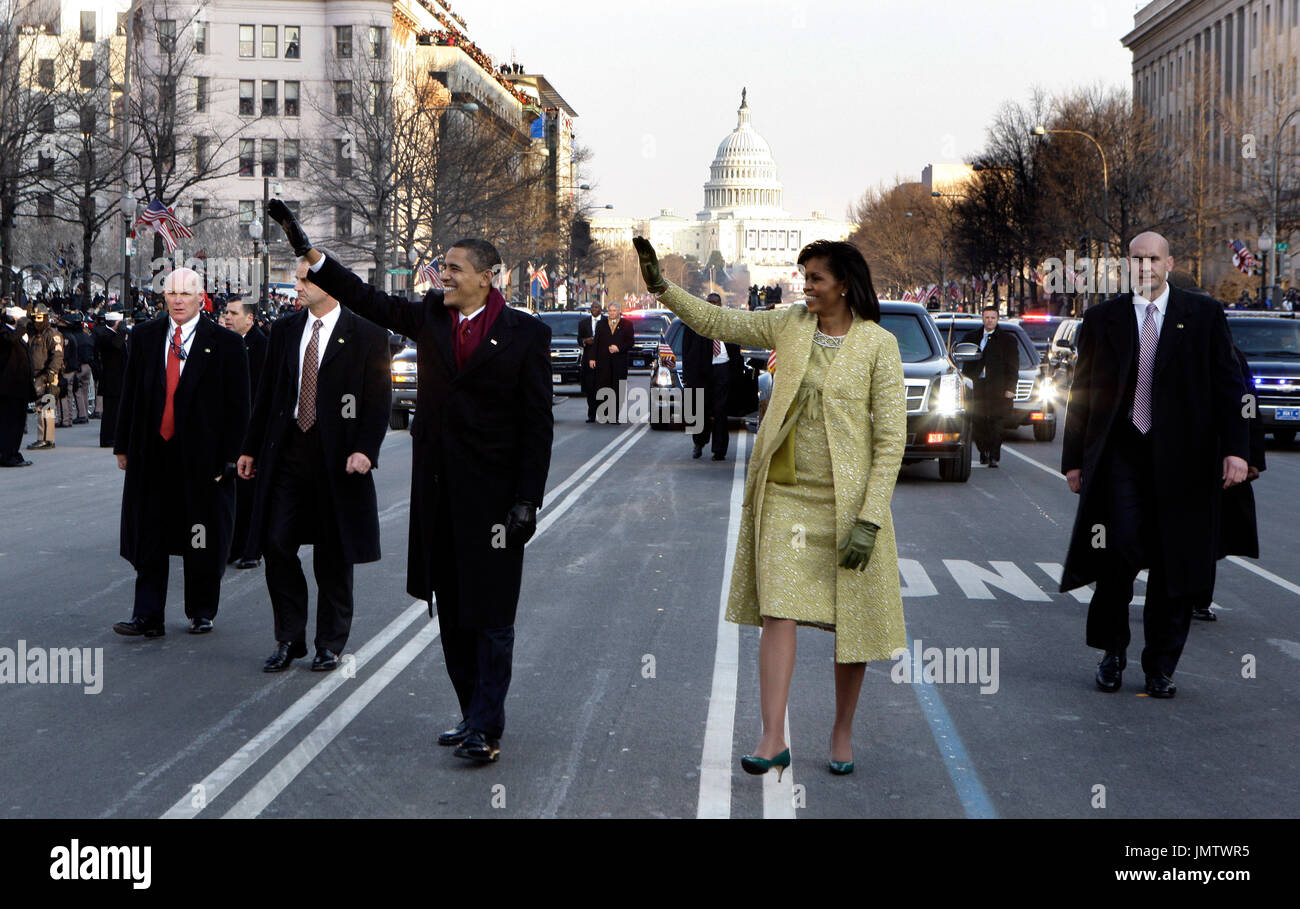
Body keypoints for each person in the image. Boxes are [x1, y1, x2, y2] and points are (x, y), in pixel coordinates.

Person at [267, 200, 552, 764]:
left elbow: (537, 427)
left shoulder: (525, 335)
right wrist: (309, 252)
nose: (441, 275)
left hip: (495, 504)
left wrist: (526, 501)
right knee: (449, 611)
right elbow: (367, 297)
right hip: (439, 497)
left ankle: (487, 726)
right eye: (441, 267)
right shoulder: (430, 317)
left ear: (487, 278)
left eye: (453, 269)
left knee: (491, 616)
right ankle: (472, 712)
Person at [634, 236, 907, 776]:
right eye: (803, 276)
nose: (805, 286)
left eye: (815, 279)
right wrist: (663, 289)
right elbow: (722, 325)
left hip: (848, 505)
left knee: (851, 622)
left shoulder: (878, 346)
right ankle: (772, 735)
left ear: (844, 286)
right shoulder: (789, 324)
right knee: (777, 609)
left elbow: (891, 438)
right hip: (785, 493)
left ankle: (841, 731)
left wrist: (871, 518)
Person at [1060, 232, 1249, 698]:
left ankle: (1160, 667)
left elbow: (1230, 386)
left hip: (1185, 464)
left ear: (1170, 262)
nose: (1145, 266)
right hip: (1121, 458)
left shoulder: (1202, 315)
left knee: (1174, 565)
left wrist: (1237, 450)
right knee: (1117, 553)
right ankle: (1113, 651)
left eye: (1153, 258)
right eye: (1136, 258)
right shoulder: (1103, 319)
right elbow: (1080, 395)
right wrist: (1074, 461)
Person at [238, 259, 391, 673]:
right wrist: (250, 448)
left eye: (305, 280)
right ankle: (289, 638)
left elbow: (378, 402)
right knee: (276, 544)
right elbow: (267, 395)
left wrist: (365, 450)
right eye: (296, 279)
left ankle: (329, 643)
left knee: (333, 554)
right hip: (287, 457)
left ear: (331, 286)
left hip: (339, 463)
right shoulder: (285, 331)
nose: (297, 286)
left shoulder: (367, 336)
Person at [111, 268, 250, 638]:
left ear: (200, 298)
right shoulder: (143, 337)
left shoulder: (226, 344)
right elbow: (131, 396)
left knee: (200, 537)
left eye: (185, 294)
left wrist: (230, 459)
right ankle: (147, 616)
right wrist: (122, 445)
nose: (176, 300)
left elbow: (239, 409)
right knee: (150, 537)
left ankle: (201, 611)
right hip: (152, 456)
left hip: (203, 462)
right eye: (171, 292)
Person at [1193, 342, 1265, 622]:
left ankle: (1200, 598)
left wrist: (1252, 457)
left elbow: (1248, 404)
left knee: (1210, 530)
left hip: (1217, 457)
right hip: (1172, 456)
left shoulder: (1229, 354)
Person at [221, 298, 269, 569]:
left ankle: (251, 549)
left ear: (250, 318)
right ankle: (234, 545)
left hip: (251, 428)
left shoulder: (261, 346)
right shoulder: (226, 343)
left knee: (249, 491)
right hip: (229, 427)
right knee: (232, 489)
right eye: (226, 312)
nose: (228, 317)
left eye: (234, 313)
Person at [681, 292, 741, 460]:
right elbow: (687, 351)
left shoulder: (729, 321)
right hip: (702, 371)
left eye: (716, 302)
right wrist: (688, 375)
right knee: (699, 410)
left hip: (722, 368)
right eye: (710, 302)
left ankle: (719, 450)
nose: (713, 305)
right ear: (706, 303)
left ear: (721, 304)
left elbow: (736, 348)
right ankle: (698, 443)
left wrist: (737, 373)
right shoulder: (696, 321)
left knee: (720, 411)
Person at [960, 305, 1018, 468]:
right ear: (982, 318)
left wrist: (1010, 388)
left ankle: (994, 455)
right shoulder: (972, 337)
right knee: (978, 421)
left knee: (997, 423)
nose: (989, 320)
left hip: (998, 388)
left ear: (997, 319)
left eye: (993, 317)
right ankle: (983, 450)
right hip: (977, 386)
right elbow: (964, 359)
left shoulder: (1007, 340)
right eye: (986, 317)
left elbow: (1013, 367)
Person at [0, 305, 36, 467]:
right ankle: (7, 454)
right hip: (8, 387)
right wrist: (21, 327)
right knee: (9, 423)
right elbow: (9, 341)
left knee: (18, 423)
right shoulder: (4, 333)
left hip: (20, 386)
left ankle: (14, 452)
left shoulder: (20, 335)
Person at [589, 300, 633, 423]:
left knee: (618, 388)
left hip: (619, 362)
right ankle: (606, 412)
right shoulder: (601, 324)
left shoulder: (627, 324)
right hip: (604, 362)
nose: (612, 313)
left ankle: (614, 416)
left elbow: (630, 342)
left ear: (619, 311)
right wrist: (592, 358)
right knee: (604, 387)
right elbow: (596, 342)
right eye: (610, 311)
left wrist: (619, 348)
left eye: (614, 310)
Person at [26, 305, 62, 451]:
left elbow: (57, 355)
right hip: (37, 375)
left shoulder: (52, 334)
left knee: (46, 408)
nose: (36, 320)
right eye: (34, 317)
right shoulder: (34, 334)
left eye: (39, 317)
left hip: (47, 375)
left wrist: (51, 372)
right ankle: (45, 438)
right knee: (42, 408)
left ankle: (46, 438)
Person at [93, 311, 128, 448]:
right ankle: (107, 438)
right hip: (111, 380)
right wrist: (121, 331)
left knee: (116, 411)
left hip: (117, 379)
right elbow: (116, 345)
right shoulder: (105, 335)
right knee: (110, 412)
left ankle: (113, 436)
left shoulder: (113, 335)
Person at [576, 300, 602, 422]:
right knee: (590, 388)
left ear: (601, 309)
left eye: (597, 307)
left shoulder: (606, 322)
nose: (595, 309)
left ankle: (604, 412)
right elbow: (579, 339)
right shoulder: (583, 323)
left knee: (602, 387)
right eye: (593, 307)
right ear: (590, 309)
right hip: (588, 359)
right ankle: (591, 414)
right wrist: (586, 341)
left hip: (602, 359)